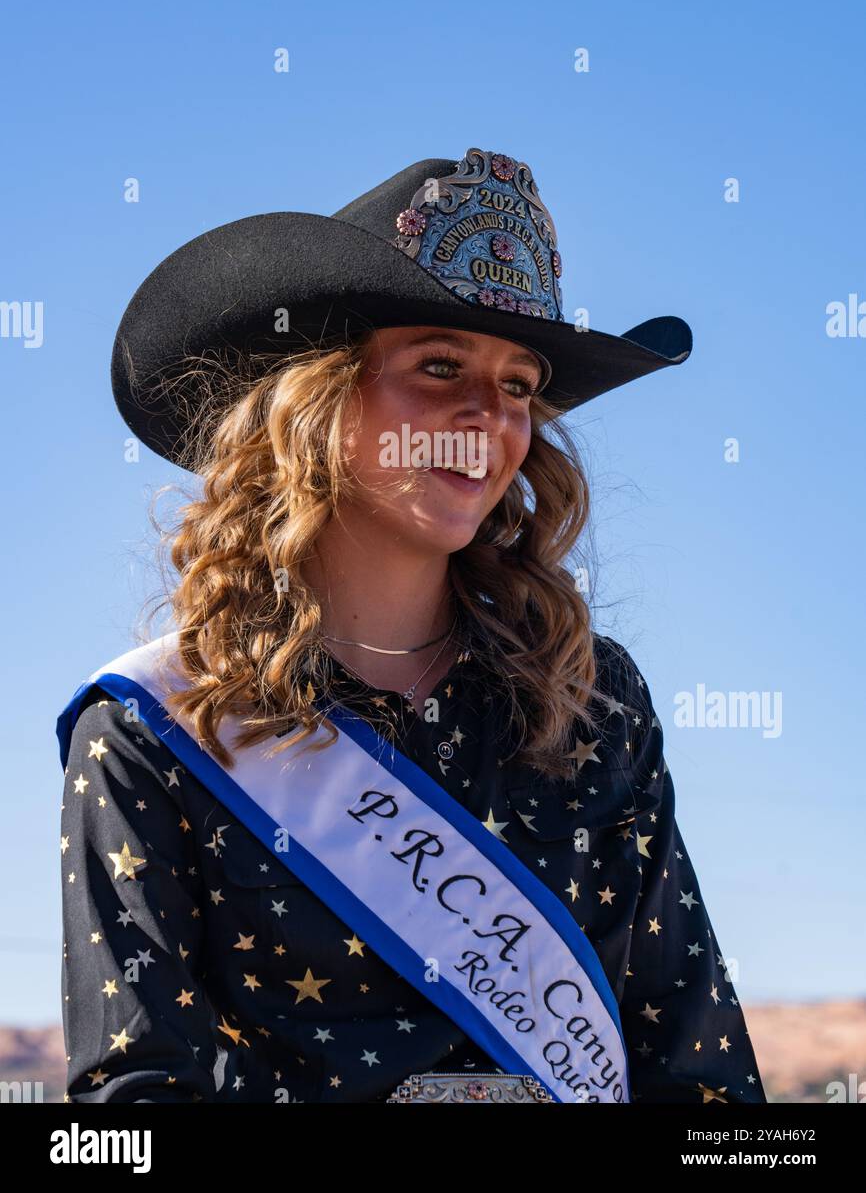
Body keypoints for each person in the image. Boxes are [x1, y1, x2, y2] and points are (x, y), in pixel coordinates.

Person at [57, 147, 767, 1104]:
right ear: (313, 404)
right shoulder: (158, 733)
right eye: (440, 367)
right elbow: (122, 1119)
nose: (489, 417)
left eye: (519, 385)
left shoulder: (594, 699)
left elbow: (704, 1075)